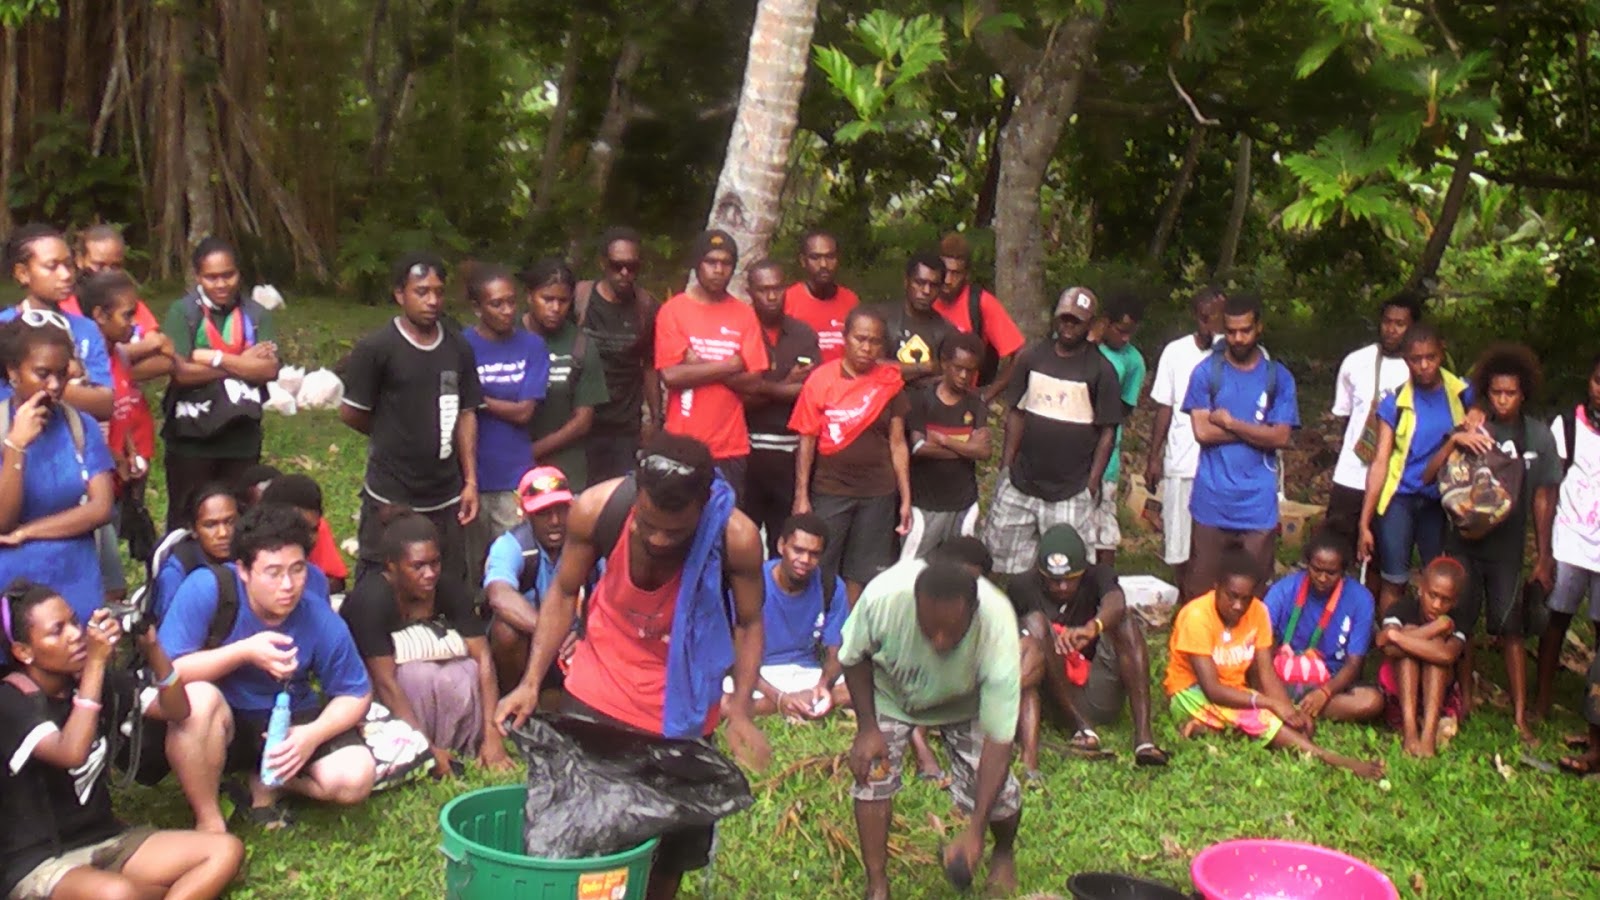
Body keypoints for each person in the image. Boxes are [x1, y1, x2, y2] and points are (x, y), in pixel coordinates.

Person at [495, 434, 771, 900]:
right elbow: (563, 592)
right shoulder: (599, 509)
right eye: (649, 525)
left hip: (681, 705)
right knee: (586, 836)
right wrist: (530, 682)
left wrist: (740, 709)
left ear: (704, 509)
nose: (660, 538)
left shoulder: (735, 537)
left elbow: (748, 624)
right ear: (636, 496)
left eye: (675, 531)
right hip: (599, 686)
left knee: (671, 852)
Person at [0, 581, 244, 899]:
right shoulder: (11, 700)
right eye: (56, 631)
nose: (75, 635)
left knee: (224, 850)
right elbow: (71, 752)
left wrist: (153, 648)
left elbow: (179, 710)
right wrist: (96, 664)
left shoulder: (92, 681)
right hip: (39, 861)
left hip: (106, 840)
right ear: (23, 652)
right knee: (119, 894)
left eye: (74, 622)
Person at [159, 503, 376, 828]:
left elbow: (355, 692)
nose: (288, 585)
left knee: (356, 776)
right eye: (273, 573)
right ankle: (210, 818)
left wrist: (311, 736)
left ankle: (268, 781)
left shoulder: (316, 614)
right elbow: (166, 672)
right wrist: (243, 652)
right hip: (224, 719)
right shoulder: (208, 589)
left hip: (289, 721)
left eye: (297, 569)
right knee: (199, 699)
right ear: (244, 570)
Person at [841, 557, 1023, 898]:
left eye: (952, 632)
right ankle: (877, 882)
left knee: (1001, 795)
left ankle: (1003, 852)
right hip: (892, 694)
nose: (939, 642)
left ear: (973, 612)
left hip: (964, 701)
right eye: (929, 628)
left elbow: (999, 741)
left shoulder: (997, 624)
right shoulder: (883, 599)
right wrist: (867, 727)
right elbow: (852, 658)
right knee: (872, 776)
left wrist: (975, 830)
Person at [1424, 344, 1558, 739]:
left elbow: (1542, 498)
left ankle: (1519, 715)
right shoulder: (1473, 426)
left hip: (1507, 548)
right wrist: (1457, 439)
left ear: (1524, 393)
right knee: (1462, 623)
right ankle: (1464, 701)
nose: (1503, 400)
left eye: (1510, 393)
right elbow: (1429, 475)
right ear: (1487, 390)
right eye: (1496, 392)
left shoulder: (1538, 436)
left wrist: (1543, 555)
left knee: (1510, 627)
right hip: (1464, 542)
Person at [1165, 549, 1385, 778]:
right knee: (1262, 718)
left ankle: (1206, 728)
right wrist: (1270, 705)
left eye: (1246, 598)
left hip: (1236, 691)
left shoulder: (1258, 612)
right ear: (1216, 586)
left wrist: (1289, 713)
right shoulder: (1197, 616)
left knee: (1285, 723)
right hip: (1190, 692)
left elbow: (1266, 672)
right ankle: (1330, 758)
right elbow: (1212, 690)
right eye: (1232, 596)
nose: (1239, 606)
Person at [341, 251, 483, 589]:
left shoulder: (458, 347)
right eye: (422, 292)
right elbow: (352, 413)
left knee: (446, 582)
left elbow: (467, 412)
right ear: (399, 294)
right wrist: (394, 435)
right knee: (380, 581)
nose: (432, 300)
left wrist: (471, 480)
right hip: (390, 493)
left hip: (445, 492)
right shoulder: (377, 349)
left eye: (438, 291)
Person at [340, 512, 512, 771]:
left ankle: (467, 741)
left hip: (440, 686)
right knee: (416, 675)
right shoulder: (370, 602)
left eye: (435, 563)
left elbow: (484, 659)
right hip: (384, 696)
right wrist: (424, 747)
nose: (430, 574)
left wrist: (492, 735)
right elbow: (385, 683)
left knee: (465, 671)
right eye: (418, 566)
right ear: (392, 565)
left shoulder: (449, 588)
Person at [983, 287, 1123, 577]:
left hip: (1070, 489)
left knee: (1065, 571)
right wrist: (1006, 466)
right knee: (1001, 564)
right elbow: (1017, 413)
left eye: (1077, 322)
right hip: (1022, 481)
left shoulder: (1101, 370)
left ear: (1090, 325)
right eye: (1065, 319)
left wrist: (1092, 484)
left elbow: (1107, 432)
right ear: (1056, 319)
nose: (1069, 327)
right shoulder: (1032, 358)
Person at [1009, 525, 1168, 769]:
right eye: (1054, 581)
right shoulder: (1021, 586)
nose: (1062, 587)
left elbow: (1116, 602)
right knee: (1035, 623)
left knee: (1125, 620)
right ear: (1040, 573)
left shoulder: (1099, 576)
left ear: (1083, 572)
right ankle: (1080, 727)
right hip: (1052, 696)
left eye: (1069, 580)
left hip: (1096, 690)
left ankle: (1144, 739)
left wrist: (1094, 627)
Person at [1180, 292, 1299, 599]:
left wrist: (1232, 424)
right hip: (1212, 498)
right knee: (1200, 591)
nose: (1238, 338)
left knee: (1254, 593)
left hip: (1257, 504)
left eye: (1245, 330)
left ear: (1258, 328)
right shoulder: (1207, 372)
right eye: (1231, 331)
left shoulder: (1279, 377)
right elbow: (1203, 432)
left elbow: (1282, 437)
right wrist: (1260, 432)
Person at [790, 307, 911, 605]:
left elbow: (898, 443)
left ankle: (849, 633)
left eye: (875, 341)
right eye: (860, 339)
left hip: (878, 493)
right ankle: (819, 629)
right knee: (822, 562)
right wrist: (801, 495)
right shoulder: (820, 380)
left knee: (862, 571)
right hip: (830, 491)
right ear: (845, 338)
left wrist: (905, 497)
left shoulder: (890, 383)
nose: (867, 348)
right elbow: (807, 440)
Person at [159, 237, 279, 533]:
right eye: (211, 277)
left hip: (241, 436)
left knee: (239, 518)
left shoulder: (255, 313)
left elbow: (268, 369)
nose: (221, 284)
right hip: (191, 437)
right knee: (186, 519)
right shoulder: (183, 312)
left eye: (228, 274)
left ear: (239, 273)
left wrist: (211, 358)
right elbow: (181, 373)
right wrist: (241, 362)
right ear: (198, 277)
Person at [0, 319, 115, 621]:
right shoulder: (3, 428)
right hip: (14, 585)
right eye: (42, 374)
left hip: (75, 578)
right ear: (13, 372)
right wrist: (15, 446)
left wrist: (28, 532)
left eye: (62, 374)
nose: (54, 385)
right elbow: (2, 521)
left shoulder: (81, 425)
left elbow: (101, 507)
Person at [1357, 322, 1471, 615]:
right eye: (1415, 359)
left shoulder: (1461, 393)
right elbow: (1380, 461)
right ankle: (1391, 650)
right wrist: (1365, 522)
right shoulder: (1394, 402)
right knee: (1394, 578)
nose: (1423, 366)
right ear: (1405, 360)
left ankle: (1428, 647)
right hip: (1400, 498)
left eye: (1430, 357)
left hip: (1439, 500)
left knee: (1437, 578)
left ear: (1441, 354)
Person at [76, 271, 174, 603]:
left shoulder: (118, 353)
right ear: (99, 316)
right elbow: (85, 420)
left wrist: (131, 451)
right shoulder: (83, 361)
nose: (135, 324)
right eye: (127, 315)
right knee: (107, 577)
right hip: (92, 477)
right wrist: (114, 457)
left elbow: (124, 406)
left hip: (119, 469)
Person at [655, 230, 768, 502]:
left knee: (727, 529)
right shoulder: (673, 311)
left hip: (730, 448)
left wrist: (698, 366)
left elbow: (754, 382)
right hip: (681, 446)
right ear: (697, 264)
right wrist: (731, 364)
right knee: (679, 529)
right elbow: (671, 375)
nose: (718, 270)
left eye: (726, 263)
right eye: (711, 262)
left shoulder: (744, 314)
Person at [460, 263, 548, 588]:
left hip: (514, 474)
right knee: (472, 568)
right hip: (470, 476)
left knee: (514, 565)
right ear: (476, 307)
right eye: (497, 304)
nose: (507, 310)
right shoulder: (462, 347)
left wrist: (477, 398)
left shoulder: (532, 347)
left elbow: (525, 411)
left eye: (511, 301)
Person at [721, 514, 849, 718]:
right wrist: (778, 697)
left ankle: (795, 703)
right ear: (781, 546)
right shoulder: (752, 582)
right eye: (798, 550)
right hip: (758, 674)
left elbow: (836, 651)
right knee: (719, 703)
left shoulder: (831, 586)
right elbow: (736, 656)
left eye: (814, 554)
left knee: (861, 688)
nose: (805, 560)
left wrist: (823, 685)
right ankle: (800, 704)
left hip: (807, 672)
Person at [1145, 287, 1225, 601]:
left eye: (1218, 321)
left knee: (1213, 539)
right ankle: (1187, 599)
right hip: (1182, 458)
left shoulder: (1235, 355)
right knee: (1180, 540)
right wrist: (1154, 457)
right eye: (1207, 320)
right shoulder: (1175, 352)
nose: (1212, 328)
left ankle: (1211, 599)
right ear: (1197, 318)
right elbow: (1164, 406)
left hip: (1220, 463)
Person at [1326, 295, 1416, 565]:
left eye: (1400, 324)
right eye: (1387, 322)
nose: (1392, 329)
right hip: (1350, 475)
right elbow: (1344, 417)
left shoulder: (1418, 369)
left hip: (1392, 481)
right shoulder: (1355, 362)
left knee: (1380, 559)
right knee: (1335, 550)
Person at [1534, 352, 1600, 721]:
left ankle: (1593, 711)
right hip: (1570, 540)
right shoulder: (1568, 427)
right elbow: (1549, 488)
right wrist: (1545, 552)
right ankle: (1542, 702)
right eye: (1597, 381)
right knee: (1556, 620)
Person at [1261, 530, 1383, 723]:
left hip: (1330, 683)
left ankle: (1291, 706)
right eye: (1316, 569)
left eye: (1331, 573)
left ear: (1344, 572)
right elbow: (1261, 645)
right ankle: (1286, 703)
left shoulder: (1361, 599)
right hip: (1280, 677)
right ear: (1307, 564)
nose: (1322, 578)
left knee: (1371, 702)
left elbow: (1354, 664)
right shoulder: (1284, 589)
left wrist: (1324, 693)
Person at [742, 259, 818, 554]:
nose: (772, 296)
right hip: (747, 454)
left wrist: (763, 385)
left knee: (783, 545)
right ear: (750, 292)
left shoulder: (803, 334)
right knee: (742, 542)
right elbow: (739, 397)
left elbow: (809, 393)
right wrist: (786, 382)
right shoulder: (741, 331)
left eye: (777, 288)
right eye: (763, 290)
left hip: (790, 456)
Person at [0, 225, 114, 421]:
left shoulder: (87, 329)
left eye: (69, 265)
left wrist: (37, 379)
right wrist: (65, 381)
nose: (66, 275)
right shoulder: (4, 328)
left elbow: (105, 405)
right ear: (22, 273)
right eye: (52, 266)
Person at [575, 227, 661, 483]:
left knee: (618, 502)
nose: (625, 273)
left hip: (624, 427)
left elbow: (649, 365)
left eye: (632, 267)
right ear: (603, 263)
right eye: (617, 265)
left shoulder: (646, 307)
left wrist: (655, 419)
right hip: (579, 424)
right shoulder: (580, 299)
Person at [484, 466, 576, 693]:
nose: (555, 521)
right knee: (505, 631)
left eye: (561, 510)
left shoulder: (586, 541)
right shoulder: (511, 545)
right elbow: (499, 594)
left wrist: (586, 632)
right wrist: (552, 633)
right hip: (538, 642)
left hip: (583, 639)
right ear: (525, 513)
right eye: (543, 513)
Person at [522, 258, 610, 492]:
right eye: (547, 299)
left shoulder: (580, 345)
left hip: (566, 470)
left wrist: (534, 451)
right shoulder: (508, 337)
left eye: (562, 301)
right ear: (529, 296)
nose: (554, 308)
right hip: (508, 469)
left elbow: (583, 422)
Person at [902, 331, 990, 559]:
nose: (963, 375)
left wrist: (942, 440)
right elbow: (919, 448)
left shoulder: (976, 403)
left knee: (962, 570)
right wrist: (965, 449)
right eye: (958, 368)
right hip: (925, 505)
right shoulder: (921, 400)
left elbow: (984, 451)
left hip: (964, 502)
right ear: (944, 364)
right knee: (912, 570)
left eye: (969, 370)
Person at [1375, 557, 1469, 757]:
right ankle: (1410, 734)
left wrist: (1395, 637)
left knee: (1434, 652)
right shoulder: (1403, 607)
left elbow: (1446, 655)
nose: (1436, 605)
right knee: (1413, 649)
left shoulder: (1459, 618)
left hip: (1439, 695)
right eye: (1432, 595)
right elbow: (1388, 650)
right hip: (1399, 692)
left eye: (1446, 600)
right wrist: (1433, 628)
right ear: (1420, 588)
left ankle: (1427, 738)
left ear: (1456, 600)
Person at [932, 232, 1025, 404]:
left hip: (966, 402)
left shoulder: (981, 303)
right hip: (927, 400)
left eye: (956, 273)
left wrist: (987, 394)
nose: (948, 280)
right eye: (945, 272)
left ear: (966, 275)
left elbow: (1019, 352)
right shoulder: (926, 298)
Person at [1091, 292, 1146, 565]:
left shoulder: (1133, 361)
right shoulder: (1084, 345)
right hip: (1067, 453)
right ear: (1104, 323)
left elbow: (1123, 409)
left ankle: (1104, 584)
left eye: (1131, 333)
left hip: (1104, 455)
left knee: (1103, 527)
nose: (1125, 339)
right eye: (1121, 331)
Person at [148, 483, 240, 623]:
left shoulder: (250, 555)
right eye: (210, 525)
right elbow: (168, 632)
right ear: (193, 529)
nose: (223, 533)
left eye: (230, 522)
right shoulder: (176, 572)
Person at [259, 474, 348, 595]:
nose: (310, 538)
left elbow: (336, 581)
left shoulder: (317, 528)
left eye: (313, 529)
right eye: (299, 529)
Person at [783, 229, 859, 364]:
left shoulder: (851, 300)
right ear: (803, 261)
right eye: (815, 258)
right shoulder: (787, 300)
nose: (823, 264)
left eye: (830, 257)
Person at [880, 252, 955, 388]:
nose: (926, 291)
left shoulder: (946, 331)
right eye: (920, 282)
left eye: (934, 285)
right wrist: (925, 368)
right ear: (906, 281)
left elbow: (950, 379)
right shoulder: (882, 320)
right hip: (886, 402)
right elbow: (873, 368)